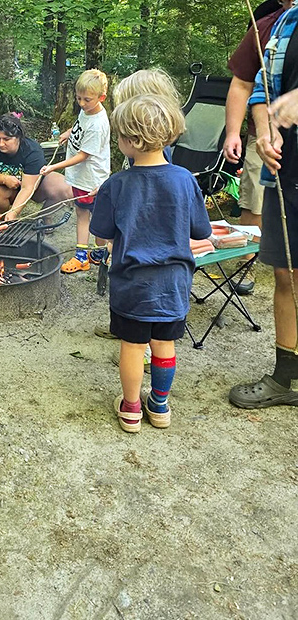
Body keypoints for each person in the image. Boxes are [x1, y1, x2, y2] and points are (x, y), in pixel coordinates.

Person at [89, 95, 211, 432]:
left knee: (133, 346)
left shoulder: (115, 184)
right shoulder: (185, 179)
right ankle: (159, 405)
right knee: (164, 344)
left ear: (130, 141)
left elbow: (101, 235)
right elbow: (201, 230)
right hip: (173, 284)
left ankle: (130, 409)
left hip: (131, 283)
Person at [228, 0, 298, 409]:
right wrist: (265, 130)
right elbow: (259, 87)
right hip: (287, 172)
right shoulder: (284, 24)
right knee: (286, 274)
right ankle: (285, 378)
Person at [223, 0, 298, 294]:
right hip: (267, 142)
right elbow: (244, 83)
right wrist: (233, 132)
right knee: (253, 197)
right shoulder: (269, 26)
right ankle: (247, 265)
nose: (290, 7)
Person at [40, 69, 110, 272]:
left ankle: (86, 256)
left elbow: (83, 156)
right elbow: (81, 125)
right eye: (78, 98)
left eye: (86, 99)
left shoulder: (98, 124)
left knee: (87, 214)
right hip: (83, 177)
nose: (81, 103)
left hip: (90, 178)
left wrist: (54, 167)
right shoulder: (88, 111)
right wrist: (69, 133)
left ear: (101, 97)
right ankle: (97, 252)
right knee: (92, 214)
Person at [0, 113, 73, 222]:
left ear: (18, 137)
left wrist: (14, 212)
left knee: (65, 188)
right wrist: (4, 179)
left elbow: (28, 188)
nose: (1, 144)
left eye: (6, 139)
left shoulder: (32, 150)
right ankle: (3, 220)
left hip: (35, 186)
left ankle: (44, 216)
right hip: (8, 188)